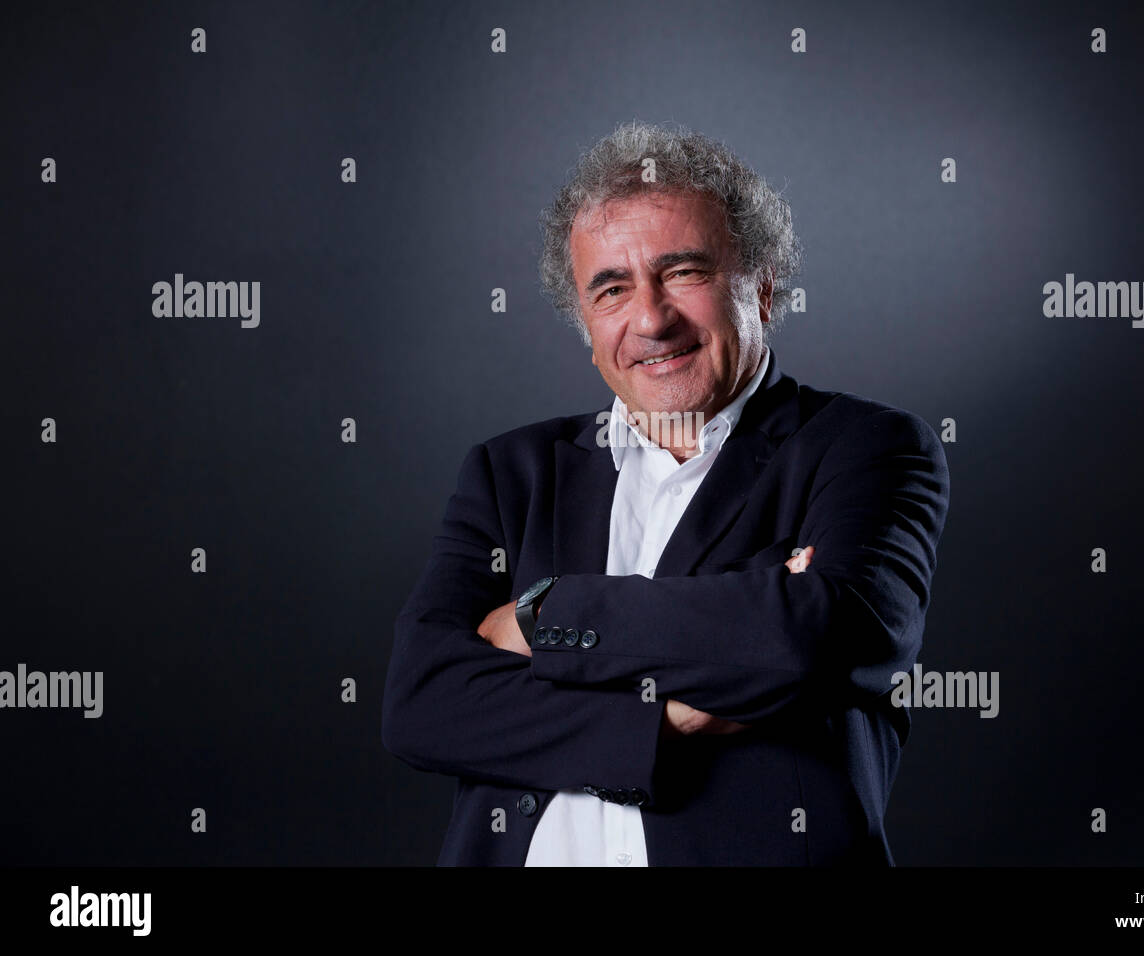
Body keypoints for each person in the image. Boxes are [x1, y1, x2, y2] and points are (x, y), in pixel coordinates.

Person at [381, 121, 950, 866]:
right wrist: (659, 725)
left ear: (764, 287)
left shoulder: (866, 447)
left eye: (684, 273)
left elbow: (816, 639)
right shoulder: (510, 472)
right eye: (612, 289)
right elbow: (423, 704)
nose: (650, 319)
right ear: (587, 327)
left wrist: (543, 616)